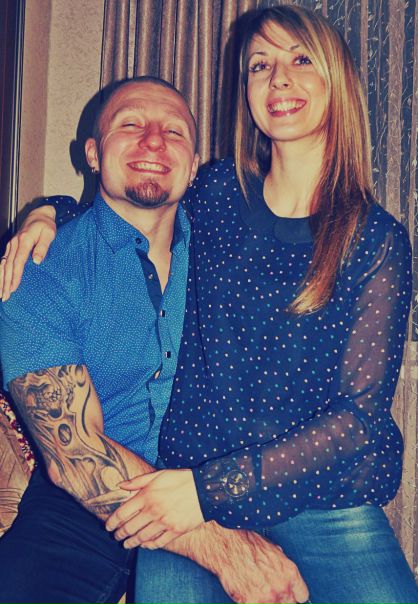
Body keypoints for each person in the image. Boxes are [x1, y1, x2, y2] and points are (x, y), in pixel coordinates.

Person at [1, 5, 417, 604]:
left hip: (303, 497)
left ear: (338, 81)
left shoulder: (370, 239)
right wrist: (47, 212)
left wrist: (206, 492)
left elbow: (358, 421)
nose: (279, 78)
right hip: (148, 489)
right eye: (260, 64)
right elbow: (132, 198)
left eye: (301, 59)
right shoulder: (217, 197)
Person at [0, 75, 308, 604]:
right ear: (92, 154)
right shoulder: (38, 270)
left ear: (194, 165)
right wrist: (220, 548)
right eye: (130, 125)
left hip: (213, 484)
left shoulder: (226, 244)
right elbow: (75, 454)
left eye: (174, 131)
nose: (153, 142)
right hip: (82, 509)